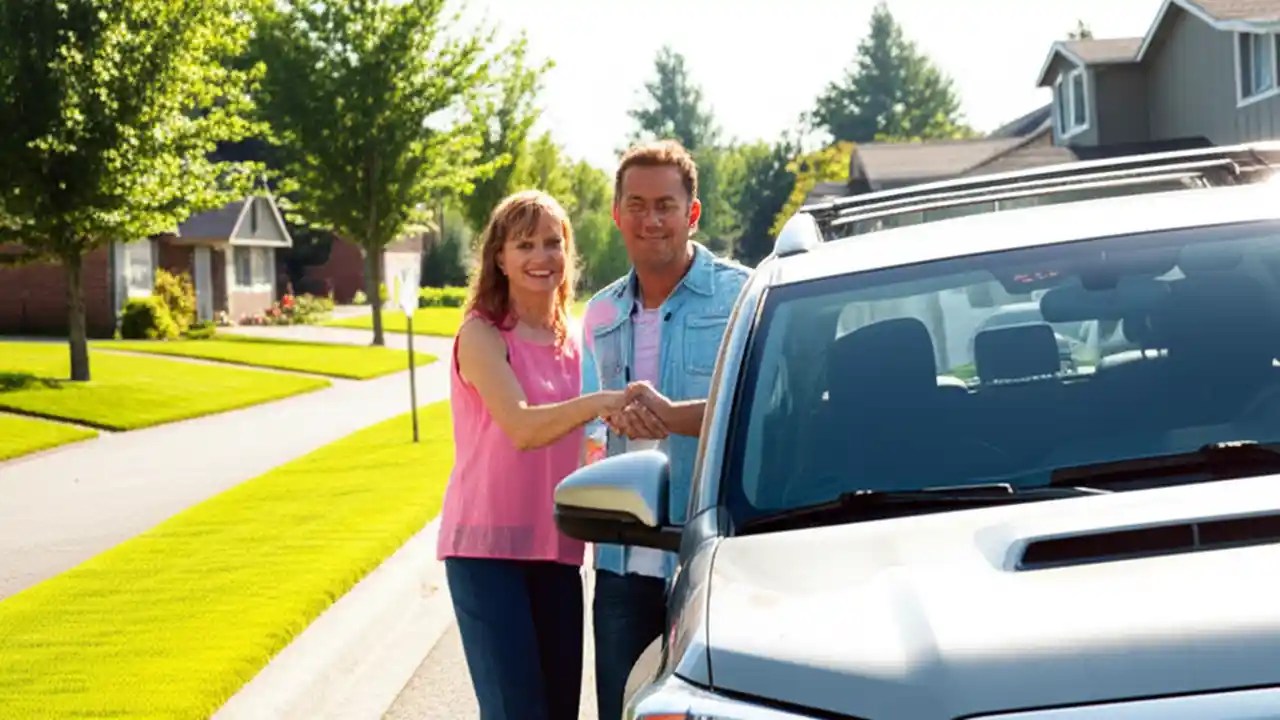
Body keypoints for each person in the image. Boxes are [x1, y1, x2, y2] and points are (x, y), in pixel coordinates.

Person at [437, 189, 630, 720]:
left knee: (558, 712)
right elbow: (521, 427)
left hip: (557, 550)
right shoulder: (480, 334)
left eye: (553, 243)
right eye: (525, 245)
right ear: (499, 257)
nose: (541, 257)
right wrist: (598, 402)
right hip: (485, 552)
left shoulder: (577, 339)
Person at [580, 140, 751, 720]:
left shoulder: (741, 298)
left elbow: (761, 412)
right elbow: (591, 431)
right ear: (616, 213)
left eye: (665, 205)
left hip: (716, 557)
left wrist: (666, 413)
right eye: (635, 204)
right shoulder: (600, 313)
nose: (650, 220)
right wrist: (607, 418)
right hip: (623, 565)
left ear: (692, 213)